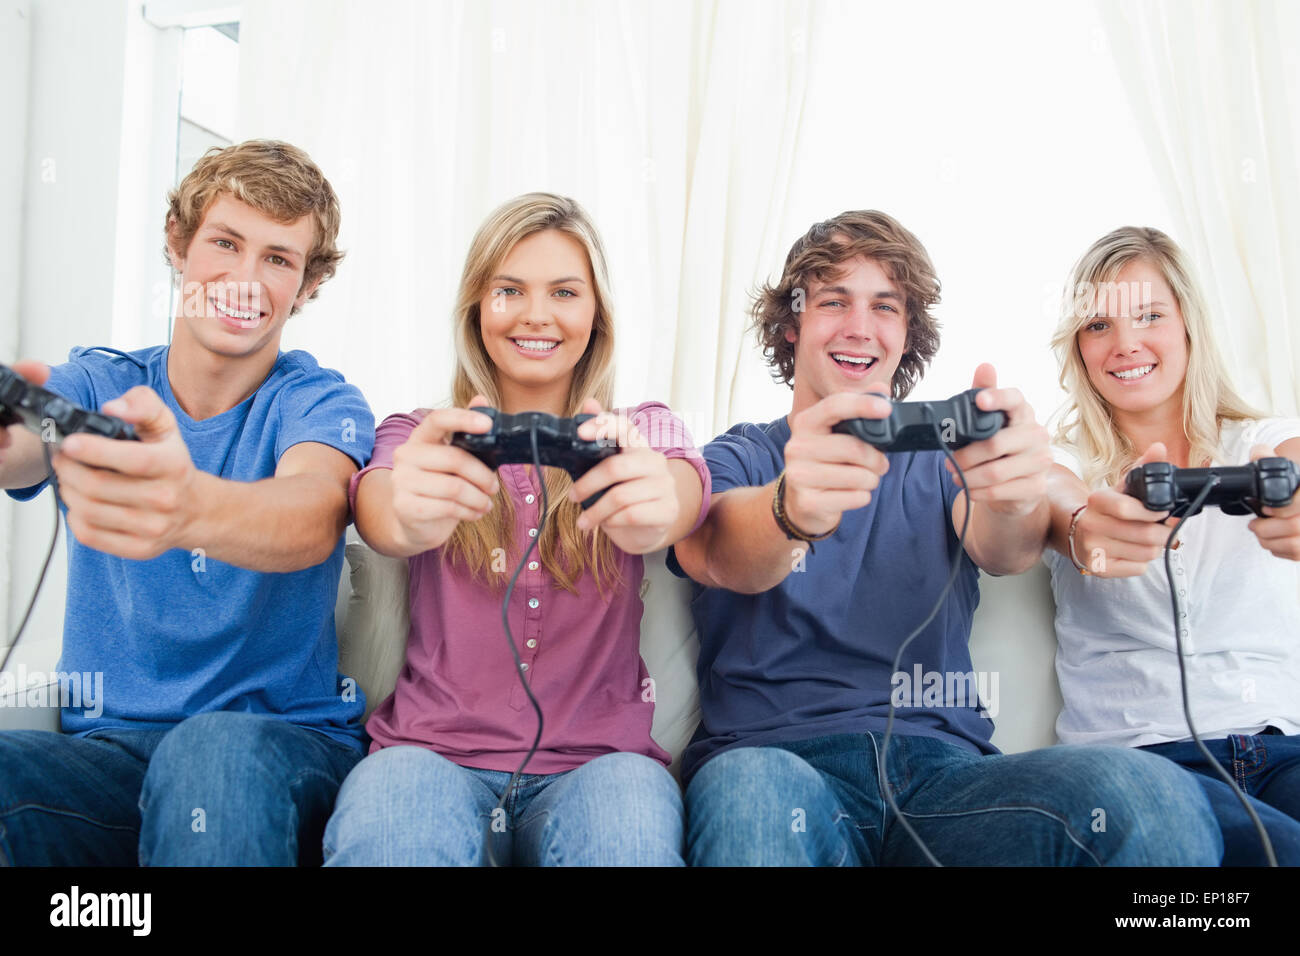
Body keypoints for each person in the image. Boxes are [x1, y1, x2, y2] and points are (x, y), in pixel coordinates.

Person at [669, 209, 1222, 866]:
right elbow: (723, 551)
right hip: (776, 767)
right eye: (833, 301)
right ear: (790, 325)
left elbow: (1002, 545)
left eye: (885, 306)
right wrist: (789, 509)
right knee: (749, 794)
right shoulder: (739, 457)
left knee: (1156, 795)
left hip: (946, 783)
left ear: (908, 336)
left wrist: (1011, 495)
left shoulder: (945, 460)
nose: (859, 327)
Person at [0, 140, 374, 866]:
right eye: (225, 243)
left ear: (307, 286)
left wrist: (191, 507)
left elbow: (311, 512)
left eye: (278, 259)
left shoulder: (318, 401)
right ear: (178, 244)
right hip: (108, 758)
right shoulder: (98, 383)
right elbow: (25, 444)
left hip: (276, 754)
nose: (244, 277)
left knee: (209, 753)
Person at [322, 193, 709, 866]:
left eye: (564, 291)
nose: (536, 314)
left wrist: (657, 505)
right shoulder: (418, 435)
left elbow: (681, 491)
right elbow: (382, 510)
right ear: (477, 307)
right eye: (509, 291)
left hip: (602, 767)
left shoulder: (642, 430)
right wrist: (407, 509)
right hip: (427, 757)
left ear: (597, 314)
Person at [1044, 225, 1300, 865]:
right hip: (1140, 762)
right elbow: (1052, 499)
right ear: (1077, 347)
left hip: (1282, 747)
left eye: (1150, 315)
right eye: (1098, 325)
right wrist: (1083, 526)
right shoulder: (1063, 463)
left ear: (1189, 326)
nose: (1126, 343)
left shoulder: (1264, 440)